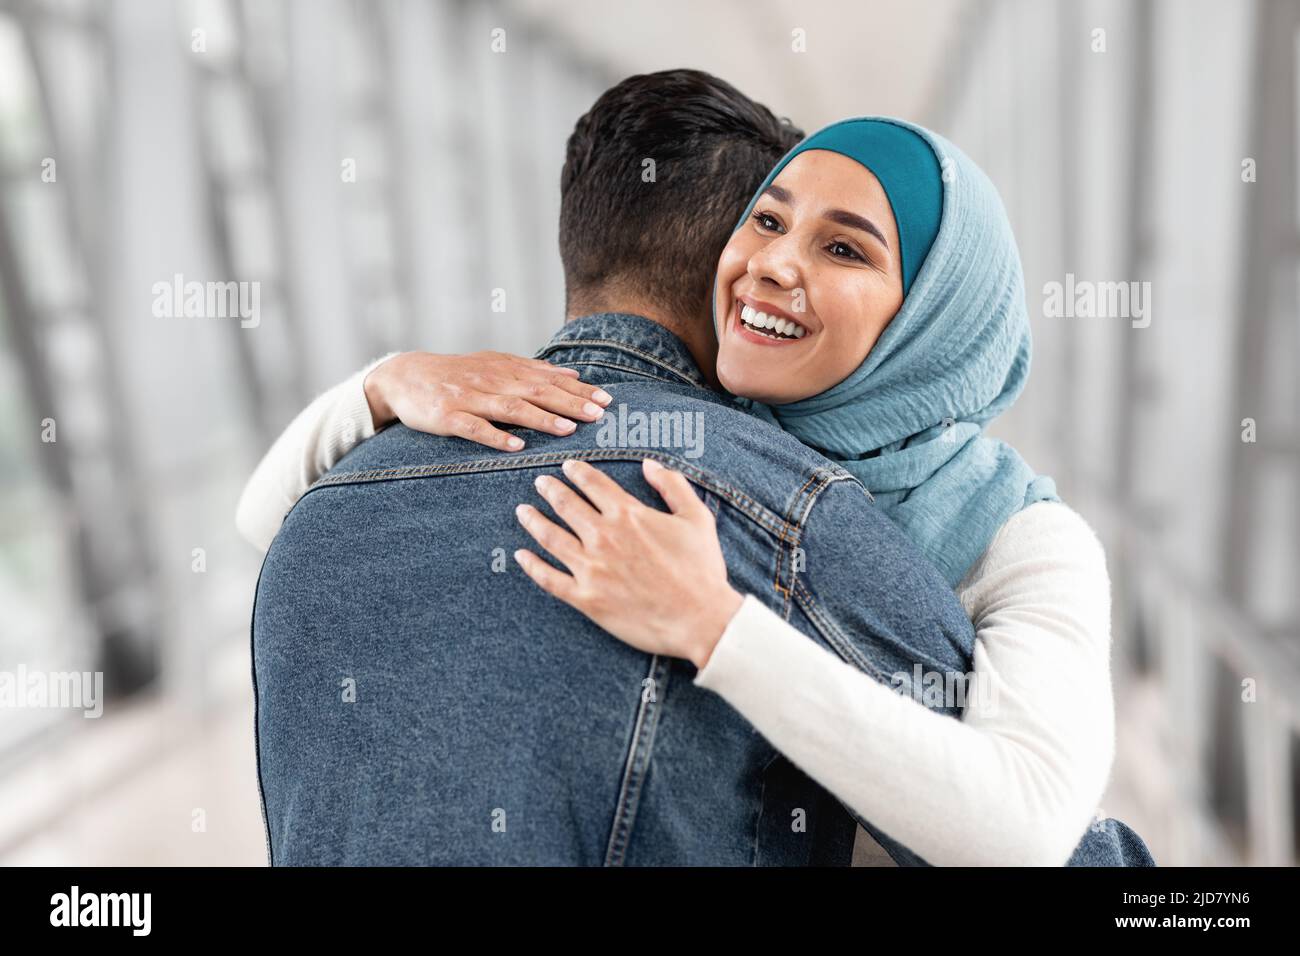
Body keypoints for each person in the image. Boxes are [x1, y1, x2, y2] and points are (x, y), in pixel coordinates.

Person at [242, 70, 1152, 865]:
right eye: (766, 221)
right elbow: (271, 518)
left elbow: (1029, 831)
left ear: (935, 315)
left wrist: (716, 627)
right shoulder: (728, 467)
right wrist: (384, 385)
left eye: (843, 248)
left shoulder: (1020, 538)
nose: (773, 265)